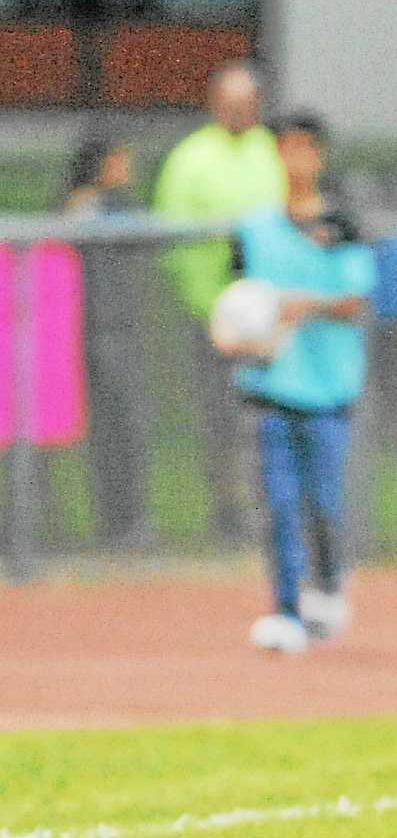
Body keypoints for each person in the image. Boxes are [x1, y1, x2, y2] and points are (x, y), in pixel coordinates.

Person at [223, 112, 376, 653]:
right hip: (268, 386)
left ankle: (328, 585)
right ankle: (285, 609)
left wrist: (300, 305)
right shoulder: (253, 228)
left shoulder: (341, 226)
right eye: (283, 149)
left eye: (303, 149)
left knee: (323, 503)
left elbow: (355, 302)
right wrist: (236, 334)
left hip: (328, 389)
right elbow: (236, 300)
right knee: (278, 504)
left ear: (319, 155)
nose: (294, 161)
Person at [153, 59, 287, 542]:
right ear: (213, 104)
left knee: (274, 412)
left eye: (247, 103)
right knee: (222, 417)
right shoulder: (191, 158)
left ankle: (273, 506)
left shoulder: (271, 150)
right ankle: (228, 509)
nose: (239, 111)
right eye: (230, 103)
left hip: (274, 314)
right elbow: (170, 239)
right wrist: (204, 303)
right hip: (212, 313)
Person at [59, 137, 154, 548]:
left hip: (120, 332)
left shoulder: (120, 207)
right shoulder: (78, 206)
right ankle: (111, 524)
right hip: (90, 334)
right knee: (106, 432)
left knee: (129, 428)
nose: (126, 167)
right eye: (119, 160)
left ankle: (130, 523)